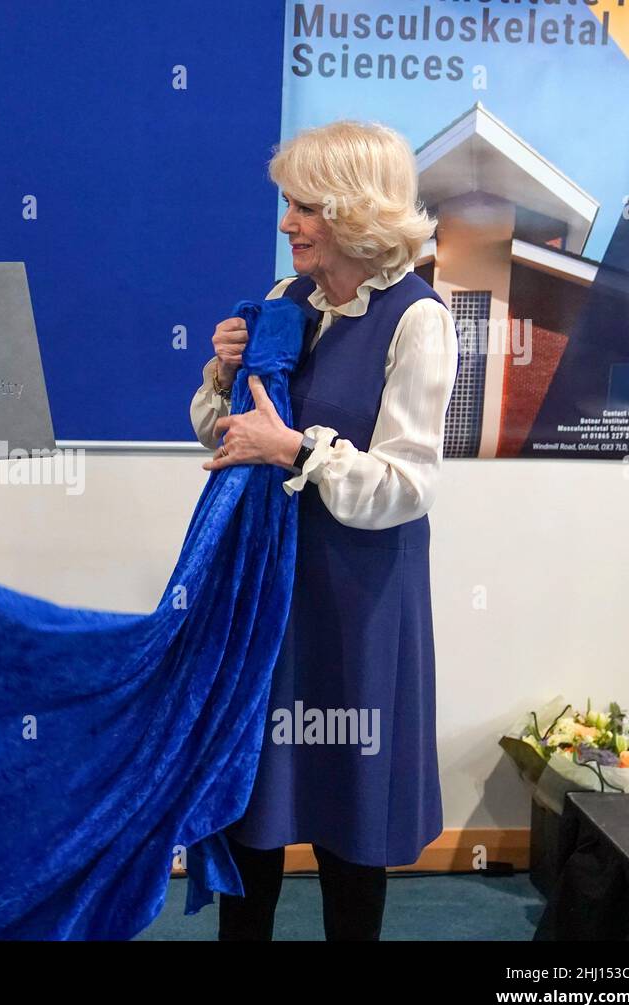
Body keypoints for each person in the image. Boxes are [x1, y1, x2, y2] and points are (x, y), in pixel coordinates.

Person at [190, 120, 460, 941]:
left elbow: (408, 485)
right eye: (289, 204)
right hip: (270, 593)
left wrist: (297, 449)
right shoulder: (283, 302)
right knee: (254, 805)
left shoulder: (418, 319)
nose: (288, 223)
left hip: (359, 597)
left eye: (305, 206)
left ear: (356, 211)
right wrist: (224, 376)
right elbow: (224, 435)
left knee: (351, 815)